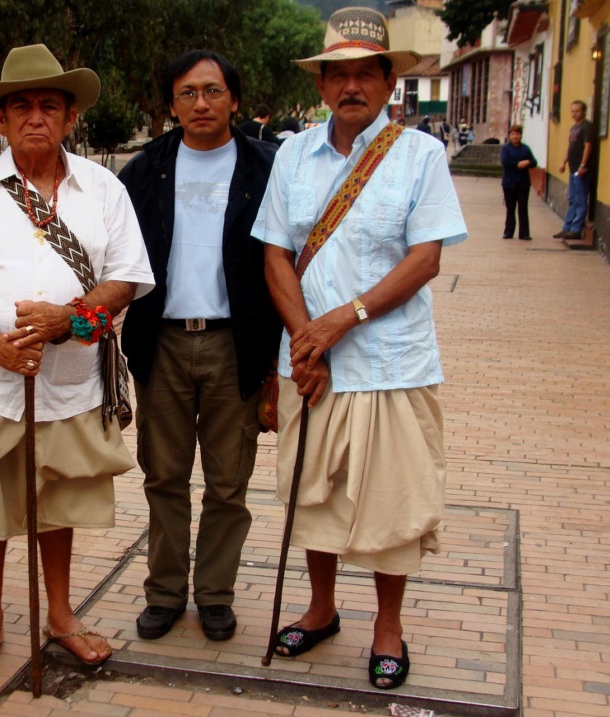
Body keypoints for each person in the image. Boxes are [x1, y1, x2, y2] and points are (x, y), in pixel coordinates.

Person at [252, 7, 467, 690]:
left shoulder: (420, 155)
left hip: (391, 361)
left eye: (364, 74)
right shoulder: (292, 153)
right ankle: (320, 608)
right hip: (311, 366)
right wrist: (303, 337)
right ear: (321, 86)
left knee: (393, 504)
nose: (351, 86)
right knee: (311, 496)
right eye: (337, 74)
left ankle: (388, 625)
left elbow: (426, 258)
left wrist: (343, 318)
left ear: (387, 82)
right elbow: (276, 255)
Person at [0, 44, 154, 675]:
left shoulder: (103, 188)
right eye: (19, 105)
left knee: (58, 503)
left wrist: (66, 321)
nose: (34, 117)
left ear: (69, 116)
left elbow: (127, 279)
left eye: (48, 105)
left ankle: (60, 614)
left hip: (71, 383)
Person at [118, 50, 280, 642]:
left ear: (234, 100)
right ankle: (163, 593)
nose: (201, 103)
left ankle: (214, 595)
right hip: (160, 343)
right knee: (163, 475)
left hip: (234, 345)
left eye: (213, 91)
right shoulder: (145, 170)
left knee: (227, 482)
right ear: (171, 105)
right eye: (187, 93)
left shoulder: (267, 167)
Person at [553, 100, 594, 240]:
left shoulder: (587, 127)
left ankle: (576, 229)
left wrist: (583, 165)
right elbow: (570, 147)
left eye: (577, 111)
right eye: (572, 111)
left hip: (582, 170)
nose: (574, 113)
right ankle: (567, 227)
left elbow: (588, 146)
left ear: (583, 111)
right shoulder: (573, 128)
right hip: (572, 169)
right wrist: (563, 162)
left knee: (581, 199)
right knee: (572, 199)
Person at [500, 124, 537, 240]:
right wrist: (517, 164)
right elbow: (505, 161)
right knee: (510, 208)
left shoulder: (525, 149)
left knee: (523, 208)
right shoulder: (505, 149)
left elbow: (534, 162)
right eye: (513, 134)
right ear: (510, 136)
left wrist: (528, 163)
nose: (515, 136)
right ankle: (509, 232)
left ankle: (524, 233)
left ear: (521, 136)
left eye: (517, 134)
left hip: (523, 183)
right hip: (509, 183)